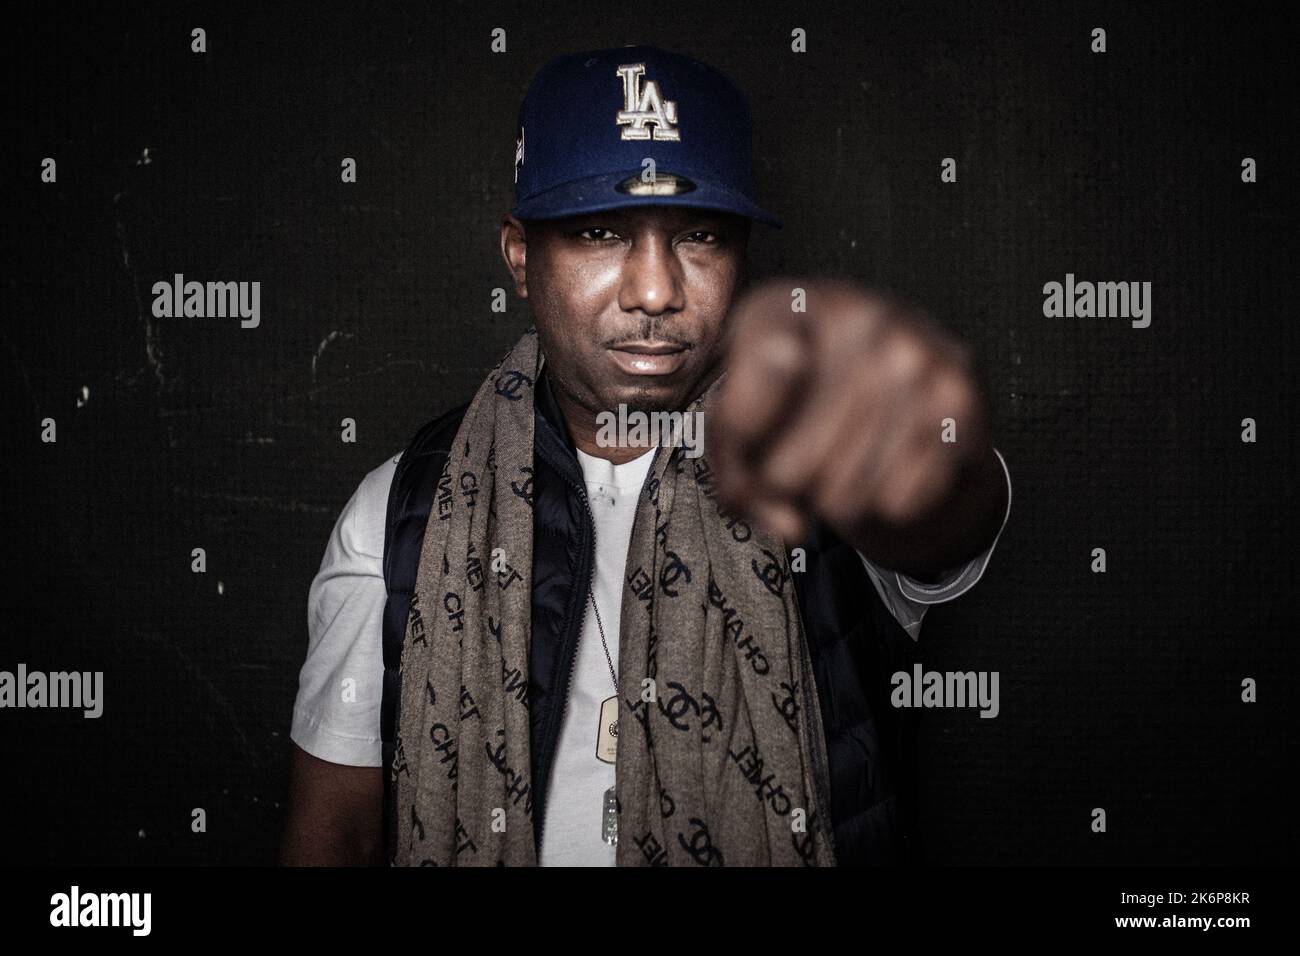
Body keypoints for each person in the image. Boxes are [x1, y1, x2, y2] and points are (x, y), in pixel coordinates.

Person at [279, 44, 1012, 867]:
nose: (657, 290)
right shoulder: (399, 512)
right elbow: (332, 831)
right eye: (601, 233)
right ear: (521, 258)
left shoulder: (815, 470)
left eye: (698, 235)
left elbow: (952, 517)